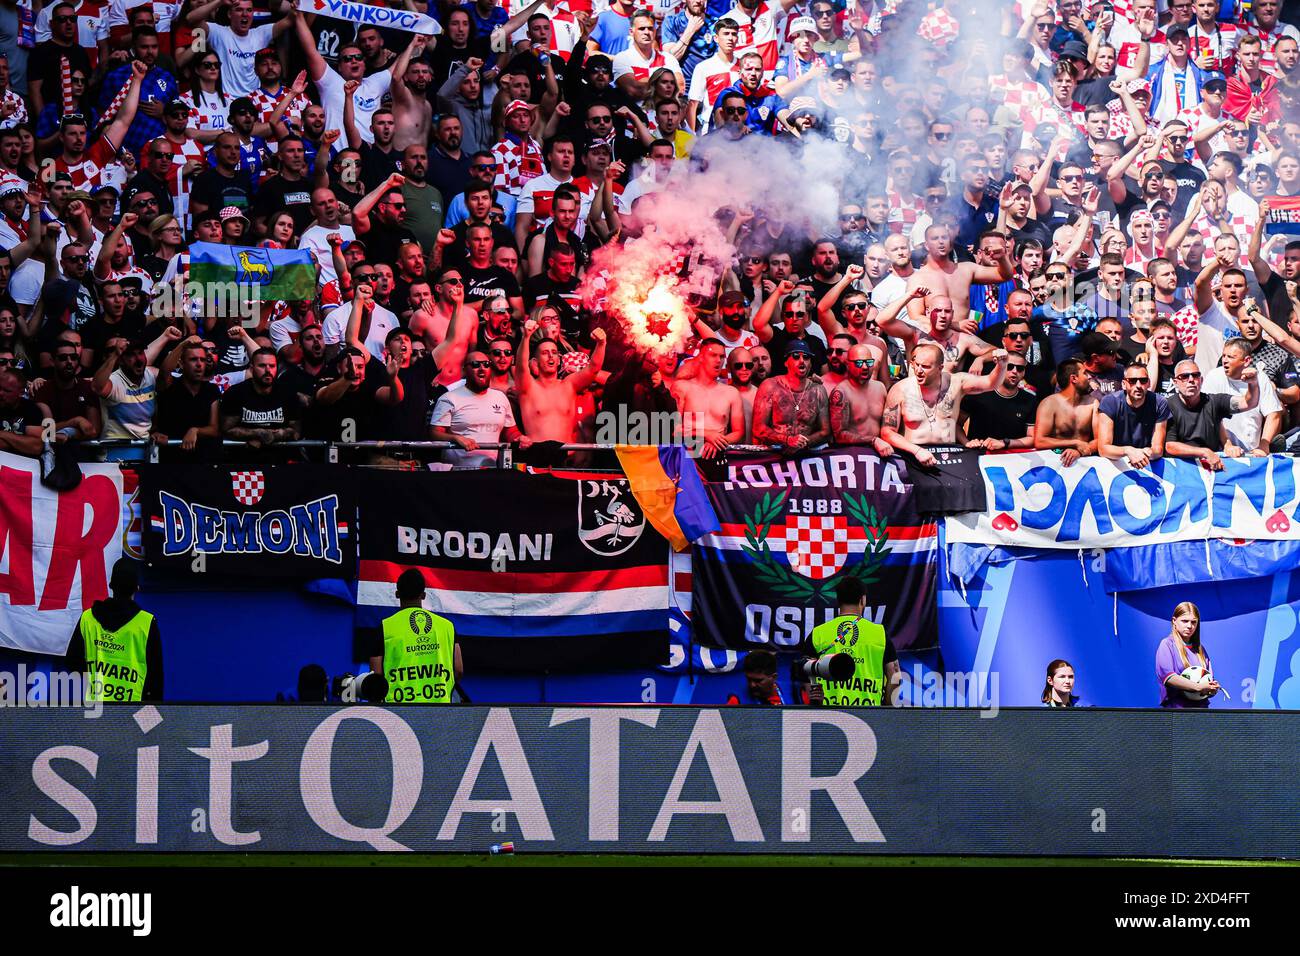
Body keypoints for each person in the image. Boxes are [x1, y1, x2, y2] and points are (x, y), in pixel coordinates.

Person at [880, 343, 1008, 467]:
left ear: (940, 368)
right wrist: (916, 451)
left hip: (949, 454)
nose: (918, 371)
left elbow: (991, 383)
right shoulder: (900, 389)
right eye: (916, 365)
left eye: (925, 366)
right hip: (913, 454)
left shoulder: (956, 383)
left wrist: (1001, 366)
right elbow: (887, 432)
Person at [65, 559, 163, 702]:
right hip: (132, 714)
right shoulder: (146, 623)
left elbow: (72, 662)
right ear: (137, 587)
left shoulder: (88, 618)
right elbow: (155, 679)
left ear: (111, 585)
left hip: (96, 711)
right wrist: (148, 723)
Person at [805, 577, 900, 707]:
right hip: (871, 715)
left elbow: (806, 672)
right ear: (863, 599)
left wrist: (816, 705)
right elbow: (894, 672)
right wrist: (887, 709)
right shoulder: (879, 634)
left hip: (828, 715)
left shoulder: (818, 633)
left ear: (838, 600)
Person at [429, 349, 531, 468]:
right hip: (456, 471)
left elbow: (510, 431)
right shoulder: (449, 398)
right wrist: (456, 438)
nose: (482, 368)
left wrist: (519, 438)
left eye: (486, 364)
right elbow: (434, 433)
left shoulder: (500, 397)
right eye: (475, 365)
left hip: (490, 469)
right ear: (464, 371)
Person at [376, 568, 462, 705]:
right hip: (440, 708)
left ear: (397, 594)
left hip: (399, 710)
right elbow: (458, 669)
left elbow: (376, 678)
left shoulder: (385, 627)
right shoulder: (447, 626)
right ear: (423, 595)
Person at [1166, 358, 1259, 469]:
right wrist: (1204, 452)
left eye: (1195, 375)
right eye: (1185, 376)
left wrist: (1253, 383)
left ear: (1201, 380)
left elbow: (1249, 403)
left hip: (1213, 465)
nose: (1191, 379)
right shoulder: (1168, 405)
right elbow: (1170, 446)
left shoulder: (1214, 401)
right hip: (1181, 469)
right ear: (1175, 382)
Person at [751, 339, 831, 452]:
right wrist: (787, 440)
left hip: (806, 455)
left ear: (811, 363)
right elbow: (758, 429)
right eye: (796, 356)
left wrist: (803, 443)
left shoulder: (818, 390)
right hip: (775, 455)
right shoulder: (770, 386)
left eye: (806, 357)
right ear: (786, 362)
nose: (802, 361)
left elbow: (825, 432)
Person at [1096, 361, 1170, 468]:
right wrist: (1128, 451)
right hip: (1116, 463)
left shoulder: (1160, 403)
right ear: (1123, 384)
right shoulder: (1110, 402)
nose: (1138, 385)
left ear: (1149, 383)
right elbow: (1103, 449)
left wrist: (1145, 453)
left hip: (1146, 460)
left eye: (1143, 380)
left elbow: (1158, 449)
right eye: (1132, 381)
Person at [1155, 601, 1220, 709]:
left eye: (1193, 622)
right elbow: (1169, 678)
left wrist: (1211, 688)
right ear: (1174, 621)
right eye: (1185, 621)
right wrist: (1198, 687)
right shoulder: (1167, 644)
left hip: (1201, 712)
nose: (1189, 626)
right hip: (1176, 712)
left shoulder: (1200, 650)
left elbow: (1208, 679)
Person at [829, 344, 891, 455]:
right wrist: (873, 440)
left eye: (869, 362)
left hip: (880, 453)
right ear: (848, 365)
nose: (865, 367)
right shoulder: (841, 393)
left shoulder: (880, 388)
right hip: (852, 455)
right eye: (858, 363)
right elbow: (839, 436)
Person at [1034, 359, 1099, 465]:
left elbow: (1100, 440)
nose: (1090, 377)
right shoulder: (1049, 403)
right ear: (1074, 378)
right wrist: (1075, 443)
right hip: (1056, 463)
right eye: (1085, 373)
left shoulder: (1093, 403)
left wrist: (1079, 452)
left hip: (1085, 462)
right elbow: (1039, 441)